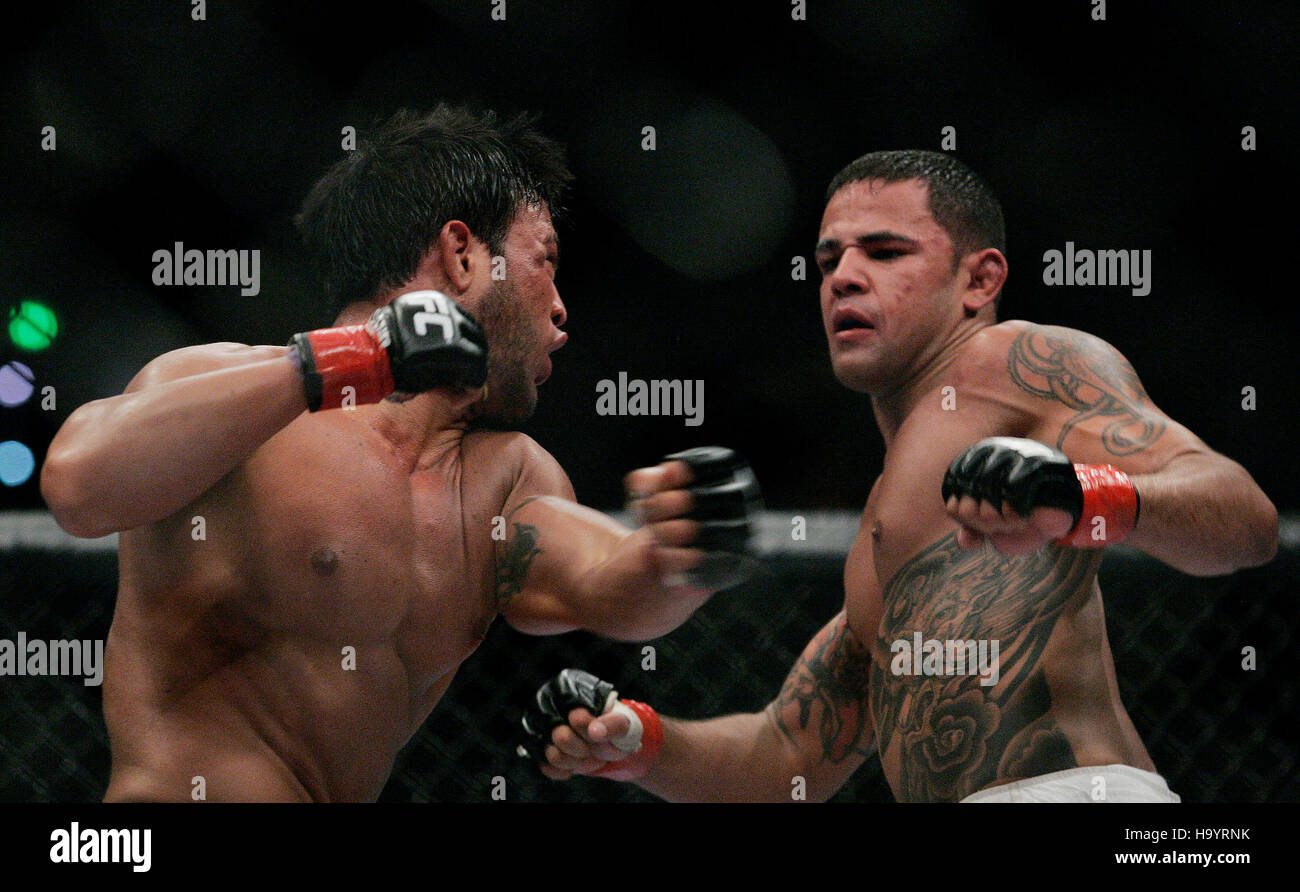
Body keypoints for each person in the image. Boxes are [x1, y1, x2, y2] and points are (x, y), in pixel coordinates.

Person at [38, 105, 759, 802]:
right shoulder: (235, 395)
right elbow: (77, 484)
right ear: (462, 253)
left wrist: (682, 553)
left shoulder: (506, 479)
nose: (562, 309)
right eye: (545, 262)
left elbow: (608, 582)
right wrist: (354, 360)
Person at [520, 150, 1278, 802]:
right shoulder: (887, 530)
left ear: (978, 281)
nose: (843, 278)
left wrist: (1083, 496)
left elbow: (1245, 522)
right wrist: (636, 738)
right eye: (827, 260)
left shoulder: (1020, 362)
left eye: (884, 252)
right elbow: (785, 760)